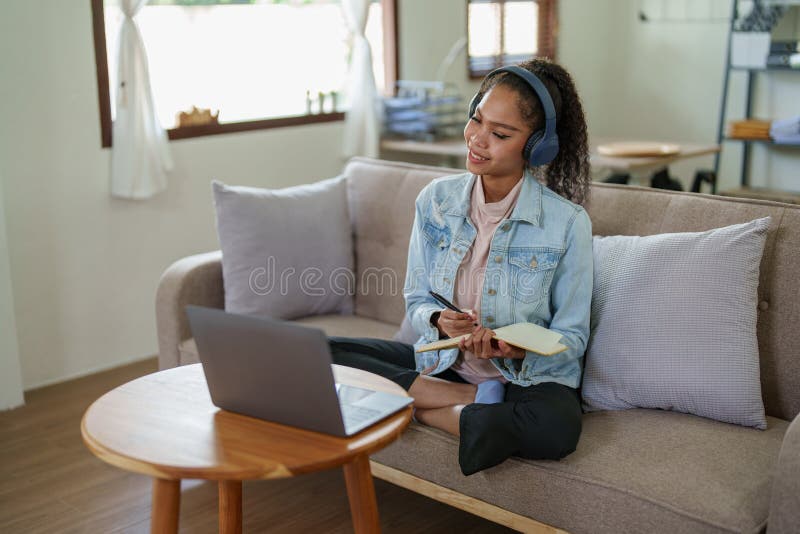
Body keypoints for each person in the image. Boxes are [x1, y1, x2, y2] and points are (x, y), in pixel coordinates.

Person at [329, 58, 593, 475]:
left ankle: (416, 404)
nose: (477, 139)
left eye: (500, 134)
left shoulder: (567, 224)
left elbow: (572, 336)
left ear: (537, 145)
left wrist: (518, 347)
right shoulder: (435, 201)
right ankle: (470, 405)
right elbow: (417, 299)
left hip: (522, 382)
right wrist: (438, 319)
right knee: (325, 353)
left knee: (556, 430)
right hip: (445, 369)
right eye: (477, 120)